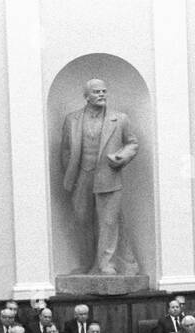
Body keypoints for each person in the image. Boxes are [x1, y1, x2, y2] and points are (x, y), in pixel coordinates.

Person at [60, 78, 139, 275]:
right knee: (82, 219)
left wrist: (121, 157)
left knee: (108, 221)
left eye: (104, 91)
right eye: (96, 92)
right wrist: (70, 171)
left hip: (108, 177)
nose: (101, 94)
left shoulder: (120, 119)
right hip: (82, 177)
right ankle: (87, 262)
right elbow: (65, 149)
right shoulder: (72, 119)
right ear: (86, 96)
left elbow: (132, 143)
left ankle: (107, 263)